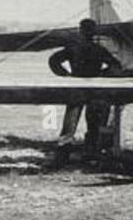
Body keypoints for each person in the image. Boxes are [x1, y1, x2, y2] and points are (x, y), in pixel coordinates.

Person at [48, 18, 121, 163]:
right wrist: (102, 75)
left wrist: (66, 74)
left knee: (70, 122)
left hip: (76, 87)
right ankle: (91, 153)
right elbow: (116, 65)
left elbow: (53, 60)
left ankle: (62, 156)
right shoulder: (98, 49)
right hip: (94, 88)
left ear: (81, 31)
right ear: (93, 32)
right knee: (94, 123)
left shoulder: (73, 48)